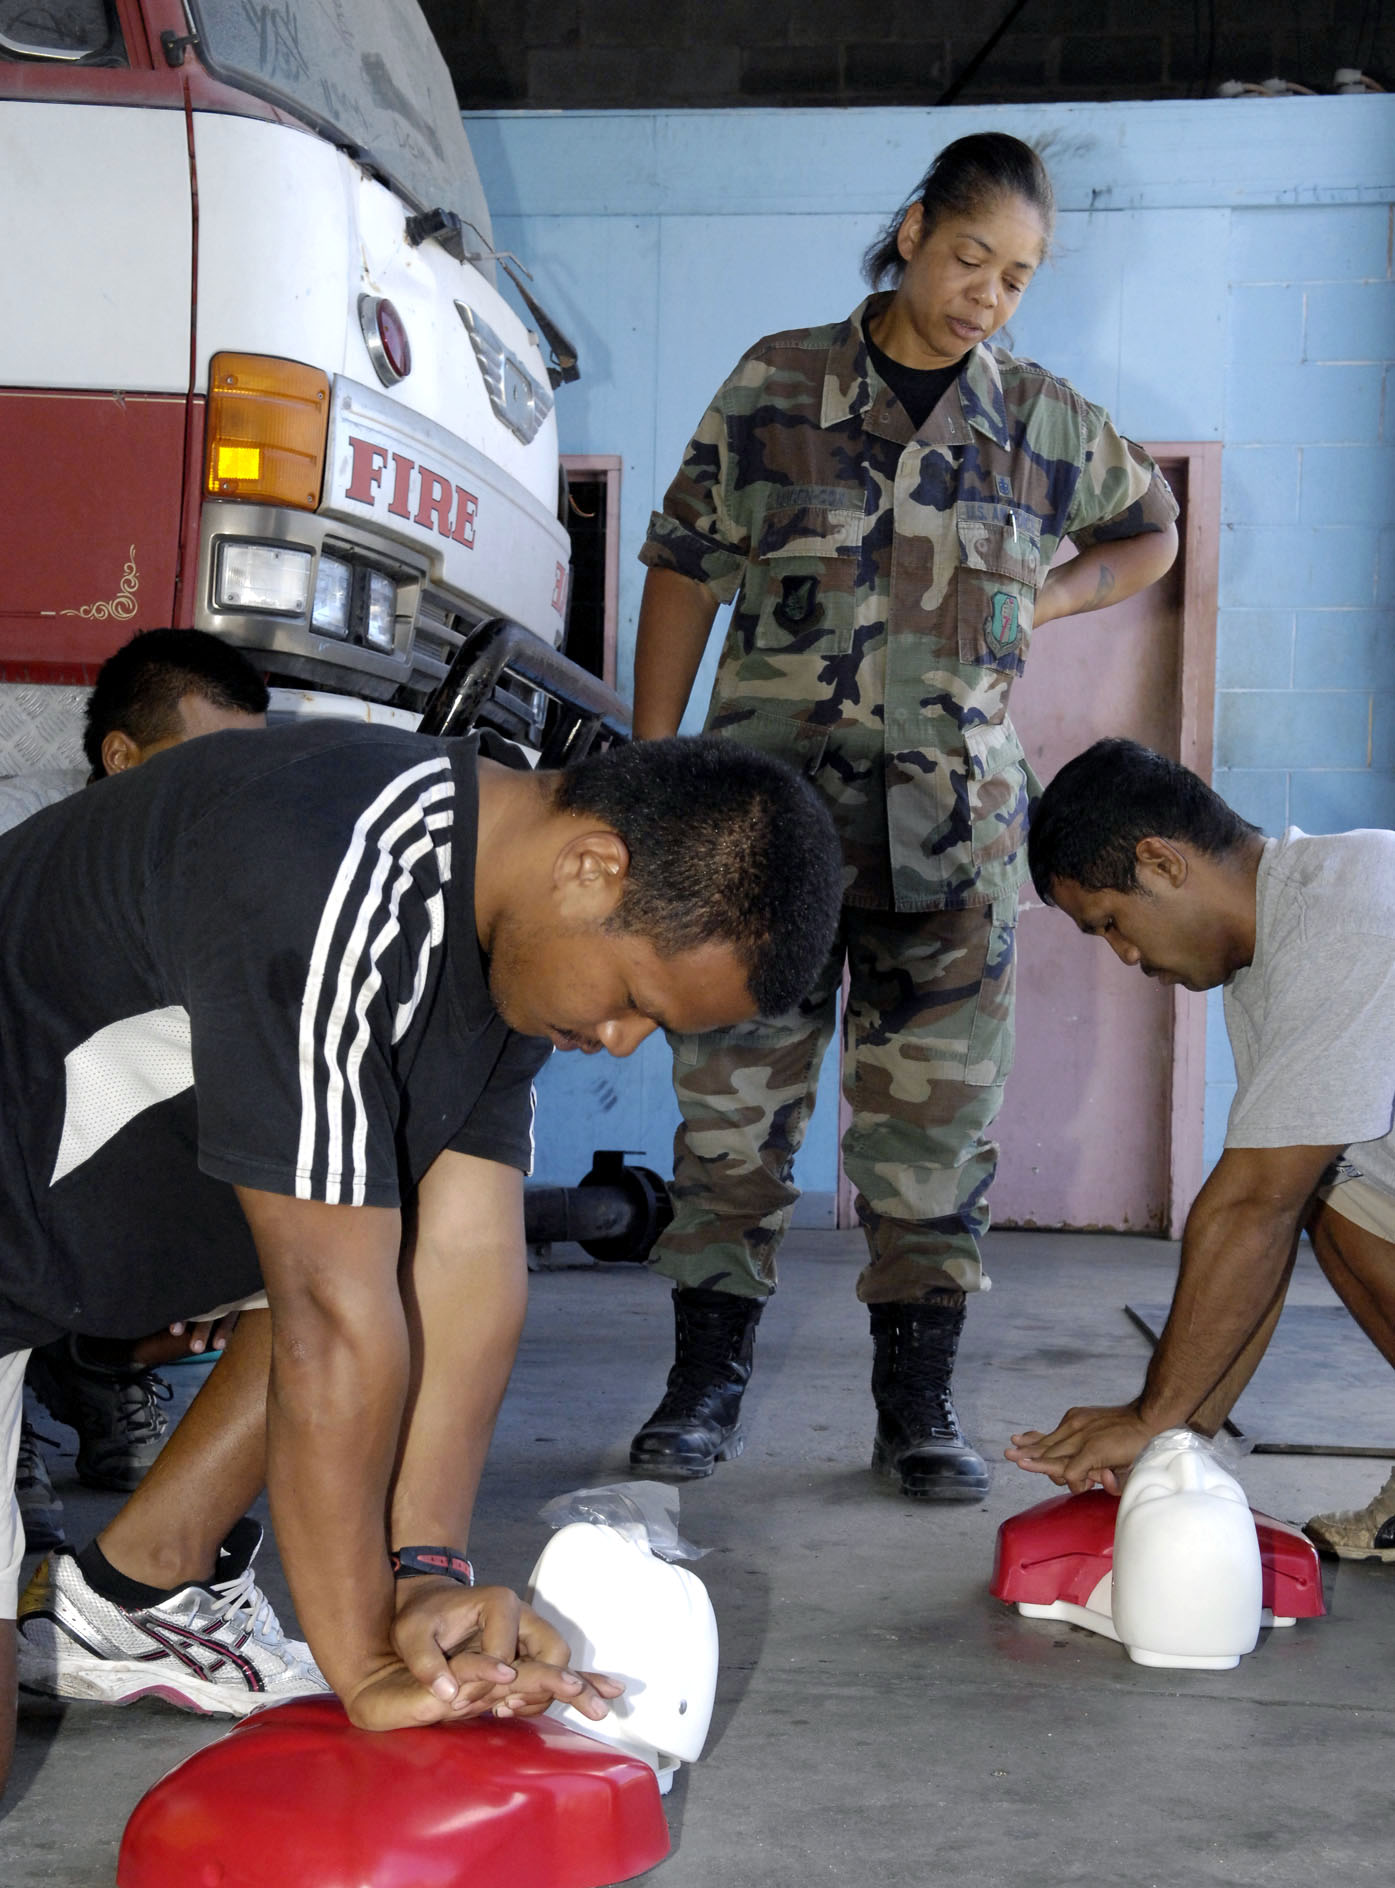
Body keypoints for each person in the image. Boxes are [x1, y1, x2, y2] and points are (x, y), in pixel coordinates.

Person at [1, 721, 843, 1796]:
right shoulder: (330, 870)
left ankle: (138, 1590)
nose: (625, 1041)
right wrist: (362, 1659)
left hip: (46, 1239)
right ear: (593, 867)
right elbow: (330, 1316)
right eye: (637, 1000)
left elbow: (465, 1266)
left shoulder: (504, 935)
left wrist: (427, 1577)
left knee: (372, 1251)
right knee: (342, 1281)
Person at [626, 131, 1180, 1502]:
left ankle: (913, 1412)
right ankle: (700, 1391)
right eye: (966, 258)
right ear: (914, 228)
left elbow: (1150, 528)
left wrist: (1045, 600)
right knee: (727, 1120)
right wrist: (651, 772)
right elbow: (683, 566)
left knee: (928, 1139)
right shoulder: (776, 382)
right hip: (763, 833)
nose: (983, 295)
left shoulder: (1042, 420)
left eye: (1015, 277)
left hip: (951, 843)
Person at [1004, 737, 1395, 1564]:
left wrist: (1153, 1415)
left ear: (1162, 861)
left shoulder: (1351, 903)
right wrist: (1180, 1440)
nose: (1127, 957)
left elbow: (1251, 1207)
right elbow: (1267, 1224)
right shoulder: (1274, 955)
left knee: (1291, 1191)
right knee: (1332, 1198)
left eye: (1111, 923)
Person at [10, 629, 269, 1552]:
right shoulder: (28, 860)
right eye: (205, 765)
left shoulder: (224, 887)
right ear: (121, 758)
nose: (232, 795)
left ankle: (100, 1380)